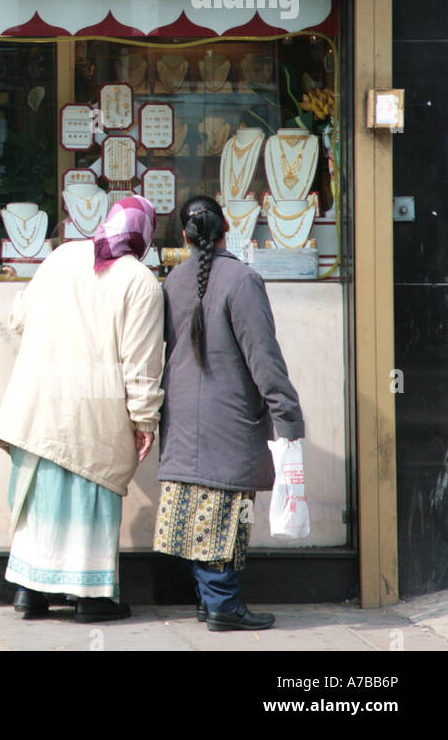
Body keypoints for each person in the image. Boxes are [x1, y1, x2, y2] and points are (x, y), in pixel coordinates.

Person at [0, 196, 165, 623]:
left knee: (41, 498)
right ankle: (91, 598)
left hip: (39, 400)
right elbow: (141, 361)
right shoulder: (140, 281)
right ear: (144, 233)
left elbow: (17, 317)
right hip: (96, 406)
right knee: (89, 495)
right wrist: (145, 419)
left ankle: (30, 592)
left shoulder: (61, 256)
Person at [153, 195, 306, 632]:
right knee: (224, 512)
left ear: (184, 237)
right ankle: (221, 604)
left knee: (205, 512)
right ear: (226, 232)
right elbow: (265, 359)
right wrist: (288, 417)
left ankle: (210, 600)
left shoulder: (172, 282)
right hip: (230, 418)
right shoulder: (242, 281)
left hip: (182, 416)